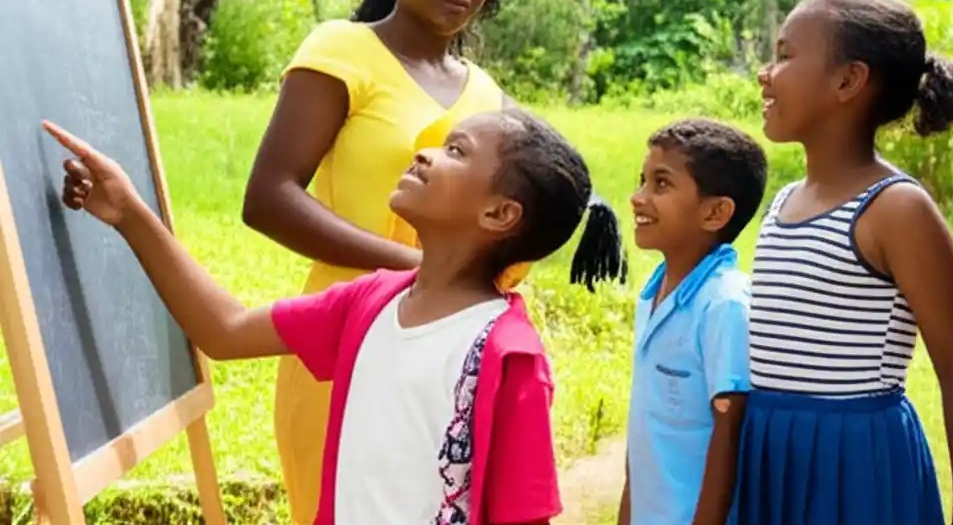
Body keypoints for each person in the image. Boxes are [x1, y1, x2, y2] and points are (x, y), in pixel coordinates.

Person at [45, 109, 622, 525]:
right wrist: (129, 214)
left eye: (456, 152)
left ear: (499, 213)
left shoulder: (508, 355)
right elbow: (224, 331)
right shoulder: (368, 302)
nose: (425, 153)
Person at [239, 0, 525, 522]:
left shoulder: (486, 94)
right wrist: (418, 273)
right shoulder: (344, 50)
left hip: (442, 361)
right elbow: (270, 197)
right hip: (343, 337)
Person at [735, 0, 953, 525]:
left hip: (855, 469)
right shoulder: (782, 204)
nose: (765, 73)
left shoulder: (897, 210)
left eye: (784, 56)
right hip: (773, 454)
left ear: (848, 80)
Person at [617, 119, 768, 525]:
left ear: (716, 212)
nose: (637, 197)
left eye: (661, 184)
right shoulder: (652, 294)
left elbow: (729, 433)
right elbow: (645, 435)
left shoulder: (724, 304)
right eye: (642, 181)